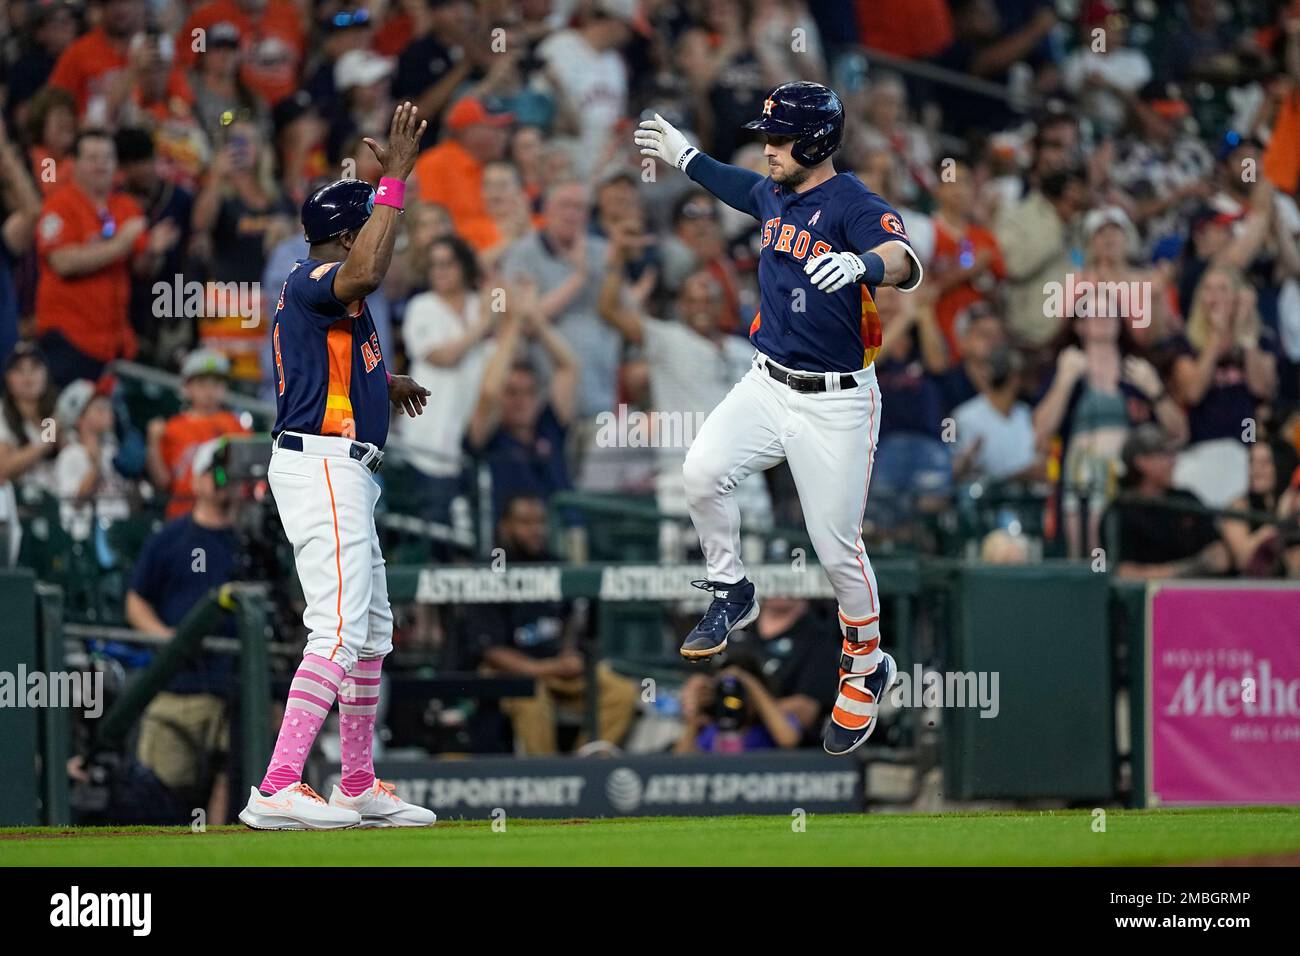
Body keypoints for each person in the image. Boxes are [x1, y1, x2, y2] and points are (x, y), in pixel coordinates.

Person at [636, 80, 924, 755]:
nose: (768, 148)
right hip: (768, 383)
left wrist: (862, 264)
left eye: (779, 137)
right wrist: (686, 159)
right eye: (766, 136)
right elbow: (739, 187)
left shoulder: (851, 201)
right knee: (702, 471)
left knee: (836, 549)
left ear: (817, 140)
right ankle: (732, 587)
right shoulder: (774, 191)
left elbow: (905, 261)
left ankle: (866, 666)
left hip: (839, 399)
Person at [238, 101, 433, 831]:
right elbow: (364, 273)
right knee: (340, 627)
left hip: (343, 466)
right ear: (347, 234)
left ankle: (355, 782)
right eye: (376, 223)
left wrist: (390, 383)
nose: (391, 234)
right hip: (321, 464)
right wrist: (397, 181)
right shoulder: (317, 275)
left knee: (372, 629)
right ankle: (278, 784)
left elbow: (335, 364)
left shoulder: (327, 296)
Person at [597, 221, 772, 544]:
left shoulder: (746, 350)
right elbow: (608, 310)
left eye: (710, 300)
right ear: (682, 306)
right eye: (694, 300)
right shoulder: (667, 339)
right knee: (685, 581)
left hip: (745, 475)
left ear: (723, 306)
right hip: (683, 475)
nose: (702, 308)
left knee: (754, 571)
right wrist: (617, 259)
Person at [464, 494, 638, 755]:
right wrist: (545, 667)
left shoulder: (556, 564)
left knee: (623, 692)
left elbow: (570, 621)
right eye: (525, 523)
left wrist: (567, 652)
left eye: (540, 522)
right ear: (505, 526)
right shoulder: (488, 569)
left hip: (556, 669)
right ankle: (546, 780)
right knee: (532, 700)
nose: (535, 530)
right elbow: (490, 650)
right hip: (510, 672)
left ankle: (584, 768)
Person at [126, 439, 240, 823]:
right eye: (218, 471)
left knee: (237, 782)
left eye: (232, 473)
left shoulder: (254, 542)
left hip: (237, 687)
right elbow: (136, 601)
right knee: (161, 791)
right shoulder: (171, 539)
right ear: (197, 479)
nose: (225, 482)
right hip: (177, 687)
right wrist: (169, 641)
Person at [34, 129, 180, 386]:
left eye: (107, 157)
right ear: (74, 164)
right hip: (68, 339)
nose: (101, 164)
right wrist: (122, 243)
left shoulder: (125, 206)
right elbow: (63, 262)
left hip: (116, 344)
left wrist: (154, 251)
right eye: (92, 157)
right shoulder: (58, 205)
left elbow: (142, 269)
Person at [466, 277, 579, 519]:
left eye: (529, 392)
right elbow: (489, 393)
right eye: (512, 392)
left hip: (565, 539)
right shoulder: (490, 439)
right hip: (510, 550)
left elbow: (569, 368)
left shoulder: (548, 427)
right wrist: (515, 322)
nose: (521, 400)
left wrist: (535, 319)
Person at [399, 235, 491, 525]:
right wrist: (483, 326)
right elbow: (443, 356)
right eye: (434, 265)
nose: (440, 271)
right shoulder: (421, 306)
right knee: (431, 525)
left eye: (448, 264)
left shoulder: (482, 305)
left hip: (474, 434)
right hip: (426, 439)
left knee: (475, 527)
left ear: (463, 266)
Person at [1103, 424, 1230, 581]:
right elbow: (1121, 573)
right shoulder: (1120, 511)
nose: (1173, 462)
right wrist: (1189, 568)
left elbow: (1220, 557)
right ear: (1141, 462)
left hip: (1197, 597)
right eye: (1165, 455)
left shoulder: (1186, 499)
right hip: (1144, 601)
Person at [145, 349, 250, 519]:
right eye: (201, 384)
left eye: (216, 384)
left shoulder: (236, 425)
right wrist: (153, 442)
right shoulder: (174, 427)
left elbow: (244, 481)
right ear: (186, 388)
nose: (209, 391)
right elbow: (162, 482)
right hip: (182, 513)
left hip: (225, 515)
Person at [0, 343, 60, 565]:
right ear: (7, 377)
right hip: (20, 512)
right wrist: (45, 442)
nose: (28, 377)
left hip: (59, 509)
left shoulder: (54, 410)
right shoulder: (3, 414)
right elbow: (2, 469)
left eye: (35, 368)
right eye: (19, 369)